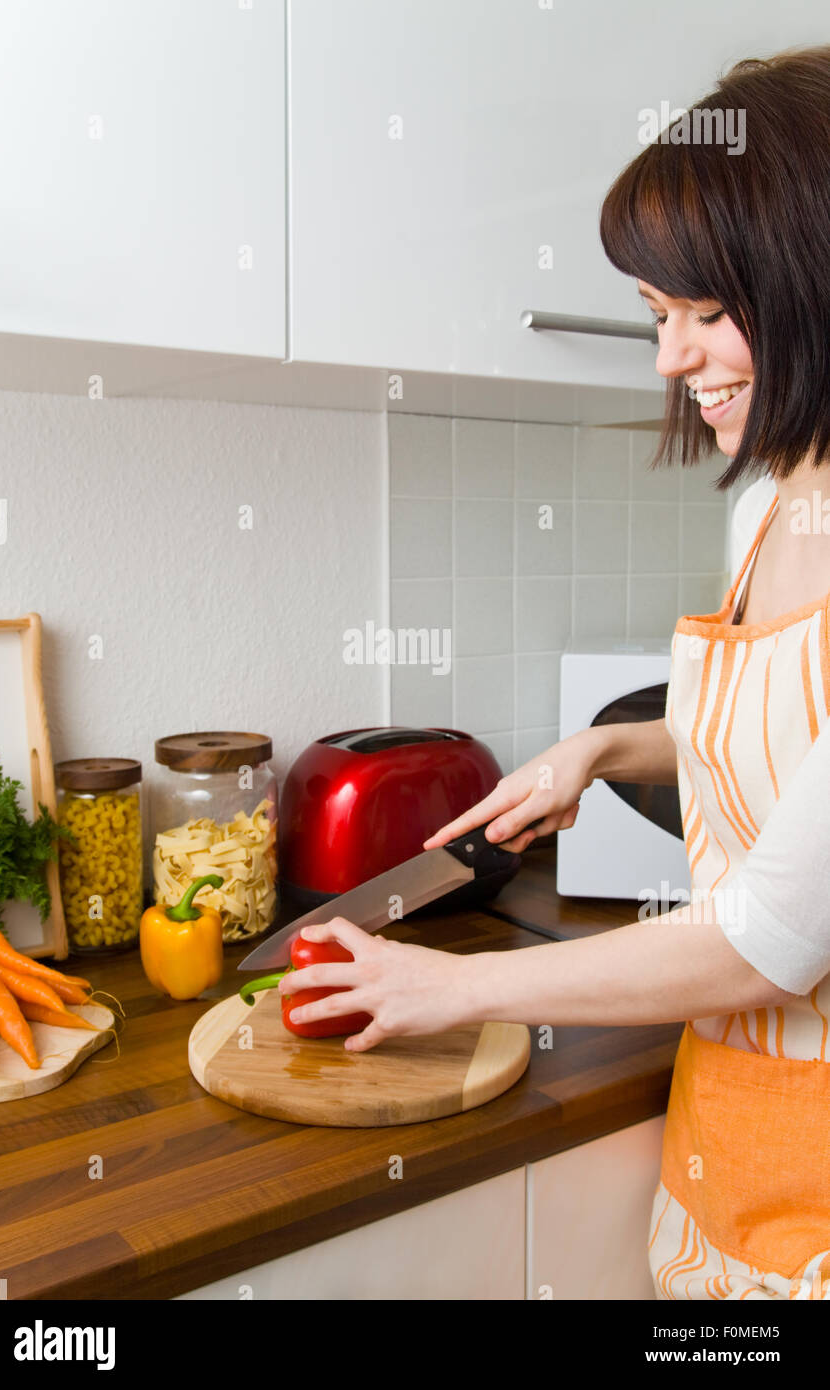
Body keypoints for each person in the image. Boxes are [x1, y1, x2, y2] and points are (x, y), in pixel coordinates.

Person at [280, 45, 830, 1300]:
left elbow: (761, 946)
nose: (667, 362)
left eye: (703, 311)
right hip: (722, 1159)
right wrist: (603, 748)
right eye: (654, 317)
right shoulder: (769, 515)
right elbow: (781, 746)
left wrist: (448, 986)